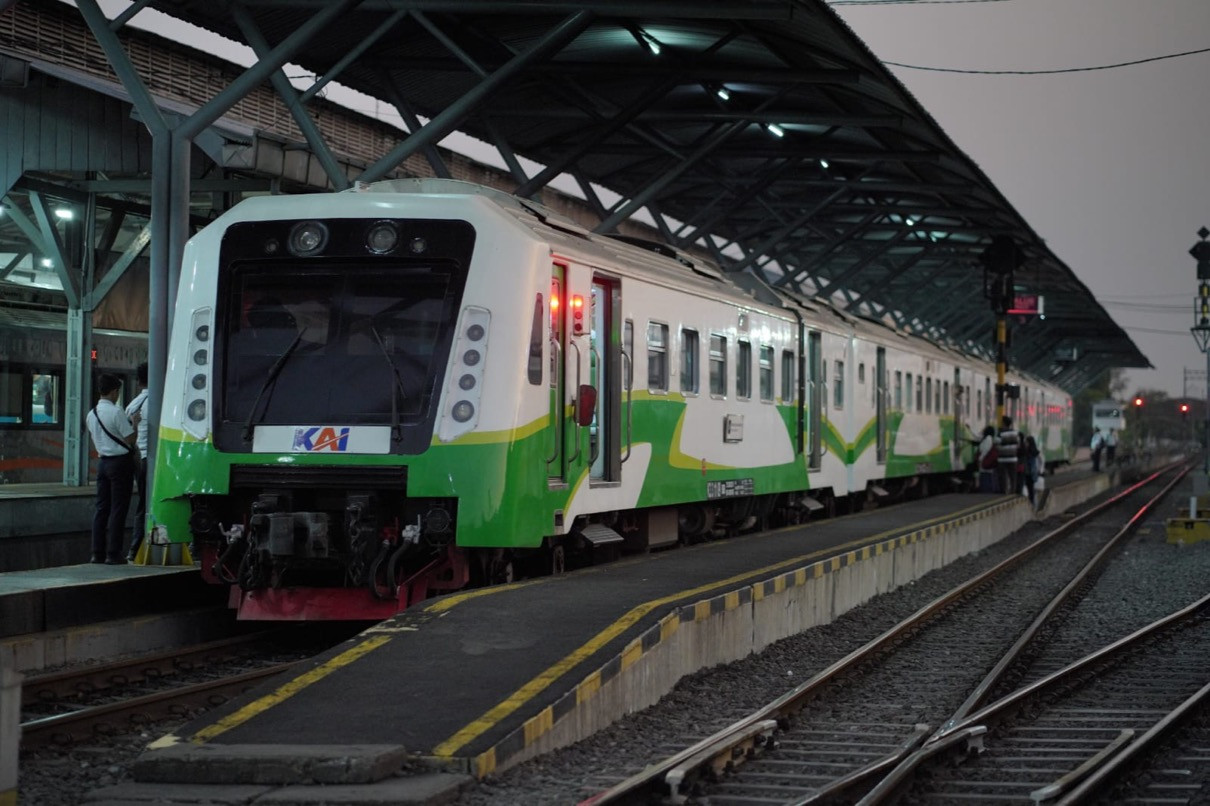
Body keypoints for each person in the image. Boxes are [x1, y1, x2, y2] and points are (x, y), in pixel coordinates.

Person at [86, 373, 139, 564]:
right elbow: (131, 439)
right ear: (115, 391)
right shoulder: (116, 412)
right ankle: (113, 553)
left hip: (103, 464)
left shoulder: (91, 414)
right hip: (120, 464)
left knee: (101, 508)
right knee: (118, 508)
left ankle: (96, 553)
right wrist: (135, 424)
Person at [124, 362, 150, 562]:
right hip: (152, 460)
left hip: (137, 458)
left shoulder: (133, 404)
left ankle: (135, 548)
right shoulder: (158, 401)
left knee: (142, 503)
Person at [996, 415, 1020, 497]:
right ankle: (1012, 492)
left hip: (1002, 459)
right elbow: (1018, 444)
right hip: (1013, 458)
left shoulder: (1001, 433)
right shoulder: (1015, 433)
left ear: (1004, 423)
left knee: (1003, 476)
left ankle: (1004, 492)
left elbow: (996, 443)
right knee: (1013, 476)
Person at [975, 425, 998, 492]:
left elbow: (986, 450)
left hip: (985, 460)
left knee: (986, 476)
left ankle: (987, 490)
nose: (983, 430)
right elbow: (977, 437)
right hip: (985, 459)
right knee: (985, 475)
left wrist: (980, 458)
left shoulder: (988, 438)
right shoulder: (986, 438)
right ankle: (987, 489)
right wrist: (969, 429)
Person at [1021, 435, 1041, 507]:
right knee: (1029, 489)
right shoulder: (1025, 451)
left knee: (1031, 489)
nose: (1025, 443)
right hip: (1026, 472)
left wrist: (1039, 470)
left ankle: (1032, 504)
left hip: (1031, 473)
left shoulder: (1033, 452)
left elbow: (1040, 460)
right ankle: (1031, 503)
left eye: (1026, 442)